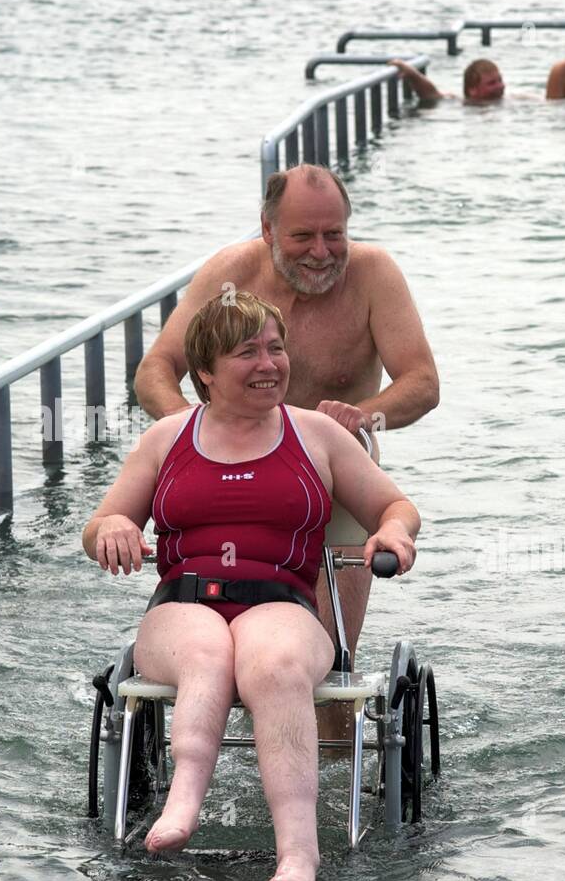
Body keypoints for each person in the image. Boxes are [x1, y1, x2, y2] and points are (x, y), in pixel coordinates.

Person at [85, 292, 421, 881]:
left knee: (274, 662)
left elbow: (393, 505)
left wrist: (394, 530)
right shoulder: (166, 438)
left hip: (282, 605)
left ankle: (298, 855)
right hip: (181, 604)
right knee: (208, 650)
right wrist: (112, 528)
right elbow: (101, 523)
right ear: (206, 371)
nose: (269, 363)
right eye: (248, 353)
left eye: (276, 348)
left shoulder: (316, 434)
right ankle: (182, 804)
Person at [133, 164, 438, 670]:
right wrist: (185, 430)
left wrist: (362, 416)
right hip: (229, 463)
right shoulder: (230, 274)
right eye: (303, 236)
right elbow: (155, 369)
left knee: (328, 657)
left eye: (334, 234)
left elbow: (422, 383)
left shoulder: (374, 274)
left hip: (331, 467)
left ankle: (328, 729)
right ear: (268, 228)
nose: (321, 252)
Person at [390, 57, 507, 105]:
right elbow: (431, 94)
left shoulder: (510, 100)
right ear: (472, 90)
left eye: (500, 80)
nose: (500, 86)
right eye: (492, 83)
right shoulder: (462, 103)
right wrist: (411, 73)